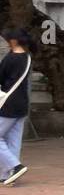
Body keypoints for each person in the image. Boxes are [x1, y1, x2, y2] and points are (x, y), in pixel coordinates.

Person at [0, 27, 33, 186]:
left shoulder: (10, 59)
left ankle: (15, 166)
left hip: (8, 104)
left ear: (13, 41)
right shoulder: (27, 57)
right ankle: (8, 175)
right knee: (12, 140)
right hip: (22, 103)